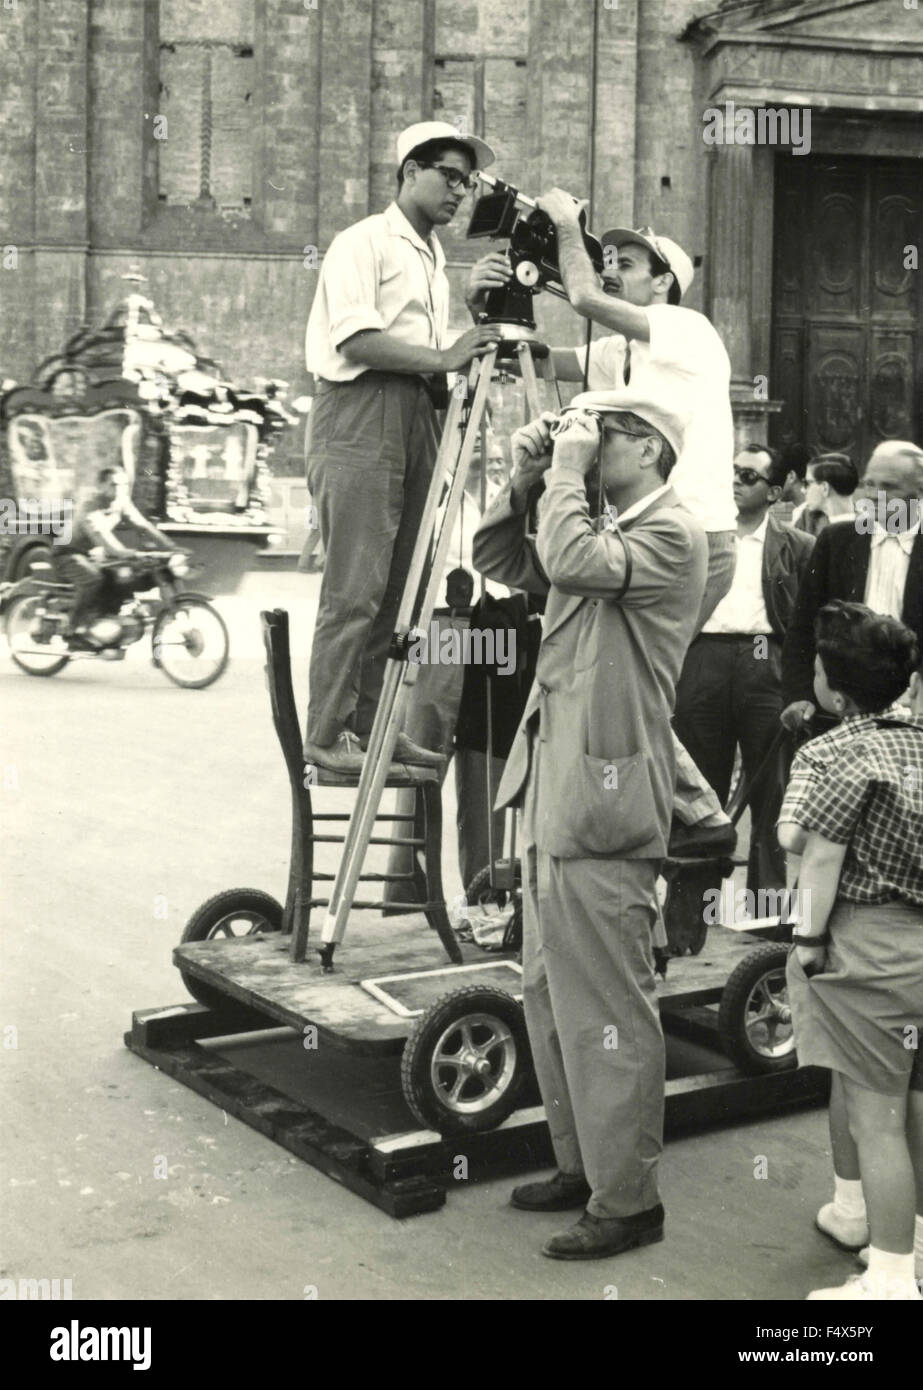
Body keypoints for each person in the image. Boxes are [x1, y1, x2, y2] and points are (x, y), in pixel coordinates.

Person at [472, 388, 707, 1260]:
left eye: (597, 433)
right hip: (556, 790)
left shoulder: (669, 533)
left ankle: (628, 1201)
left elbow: (569, 560)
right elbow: (502, 552)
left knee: (606, 1006)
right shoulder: (599, 524)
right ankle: (585, 1167)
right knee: (548, 997)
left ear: (643, 446)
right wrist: (533, 472)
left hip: (604, 802)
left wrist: (565, 474)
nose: (584, 444)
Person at [472, 205, 736, 854]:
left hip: (687, 538)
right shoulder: (621, 355)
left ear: (664, 283)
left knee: (626, 691)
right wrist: (490, 307)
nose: (610, 271)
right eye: (607, 258)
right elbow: (535, 357)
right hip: (636, 537)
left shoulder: (687, 330)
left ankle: (676, 821)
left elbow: (583, 296)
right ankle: (679, 820)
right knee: (604, 687)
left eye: (626, 263)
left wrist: (565, 225)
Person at [301, 120, 501, 774]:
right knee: (355, 586)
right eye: (448, 175)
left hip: (413, 412)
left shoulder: (433, 259)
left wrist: (465, 329)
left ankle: (369, 731)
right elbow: (355, 339)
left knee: (399, 592)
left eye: (466, 182)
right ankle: (326, 733)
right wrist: (443, 354)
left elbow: (433, 356)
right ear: (408, 171)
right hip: (360, 410)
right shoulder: (363, 241)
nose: (458, 192)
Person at [778, 601, 923, 1300]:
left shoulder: (836, 753)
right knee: (909, 1101)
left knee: (877, 1118)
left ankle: (891, 1279)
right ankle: (902, 1237)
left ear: (834, 691)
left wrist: (806, 942)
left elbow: (815, 858)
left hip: (868, 944)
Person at [674, 443, 814, 891]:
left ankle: (767, 904)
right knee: (699, 782)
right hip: (704, 657)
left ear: (774, 493)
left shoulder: (796, 546)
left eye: (749, 476)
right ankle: (694, 901)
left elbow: (807, 618)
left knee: (770, 788)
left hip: (763, 659)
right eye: (733, 472)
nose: (736, 481)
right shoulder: (699, 536)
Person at [782, 440, 923, 735]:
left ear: (919, 492)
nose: (873, 496)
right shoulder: (836, 541)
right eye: (869, 484)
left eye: (889, 487)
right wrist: (799, 696)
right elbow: (803, 626)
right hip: (840, 711)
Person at [56, 465, 174, 645]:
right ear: (101, 486)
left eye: (124, 486)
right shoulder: (90, 506)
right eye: (114, 485)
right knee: (92, 579)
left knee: (121, 578)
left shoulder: (121, 502)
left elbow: (143, 525)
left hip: (91, 554)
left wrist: (172, 547)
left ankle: (104, 624)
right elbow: (103, 538)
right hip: (66, 553)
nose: (120, 490)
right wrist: (127, 553)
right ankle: (72, 629)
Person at [799, 453, 858, 537]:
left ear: (825, 488)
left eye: (807, 483)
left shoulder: (868, 526)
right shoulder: (807, 519)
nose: (803, 490)